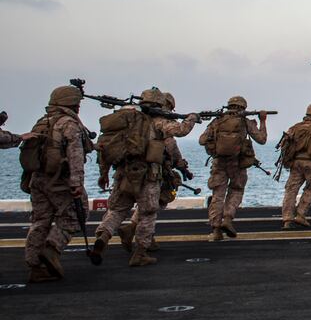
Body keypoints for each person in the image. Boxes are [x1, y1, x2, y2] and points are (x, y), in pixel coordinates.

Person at [20, 85, 91, 282]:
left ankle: (34, 265)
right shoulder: (68, 124)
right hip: (60, 180)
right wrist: (76, 183)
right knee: (76, 216)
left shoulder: (42, 122)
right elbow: (75, 155)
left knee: (40, 221)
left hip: (38, 180)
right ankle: (52, 248)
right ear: (72, 103)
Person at [92, 88, 168, 267]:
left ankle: (103, 235)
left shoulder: (125, 122)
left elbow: (106, 148)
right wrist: (192, 119)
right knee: (147, 214)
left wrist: (104, 174)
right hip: (148, 176)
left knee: (117, 211)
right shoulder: (156, 122)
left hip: (123, 175)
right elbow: (180, 131)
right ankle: (140, 253)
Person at [120, 91, 198, 253]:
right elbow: (172, 149)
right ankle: (138, 237)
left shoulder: (136, 122)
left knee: (144, 205)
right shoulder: (160, 123)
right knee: (154, 205)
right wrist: (192, 118)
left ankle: (142, 235)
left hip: (131, 169)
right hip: (155, 171)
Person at [199, 95, 268, 241]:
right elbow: (262, 139)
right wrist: (262, 121)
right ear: (243, 108)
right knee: (236, 191)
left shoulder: (217, 121)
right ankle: (228, 219)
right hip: (238, 164)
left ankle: (216, 230)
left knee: (218, 195)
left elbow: (202, 140)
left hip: (219, 163)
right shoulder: (245, 122)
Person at [280, 103, 311, 229]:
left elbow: (283, 145)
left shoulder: (294, 128)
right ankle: (301, 215)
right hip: (310, 162)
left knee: (291, 190)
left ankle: (287, 219)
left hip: (295, 163)